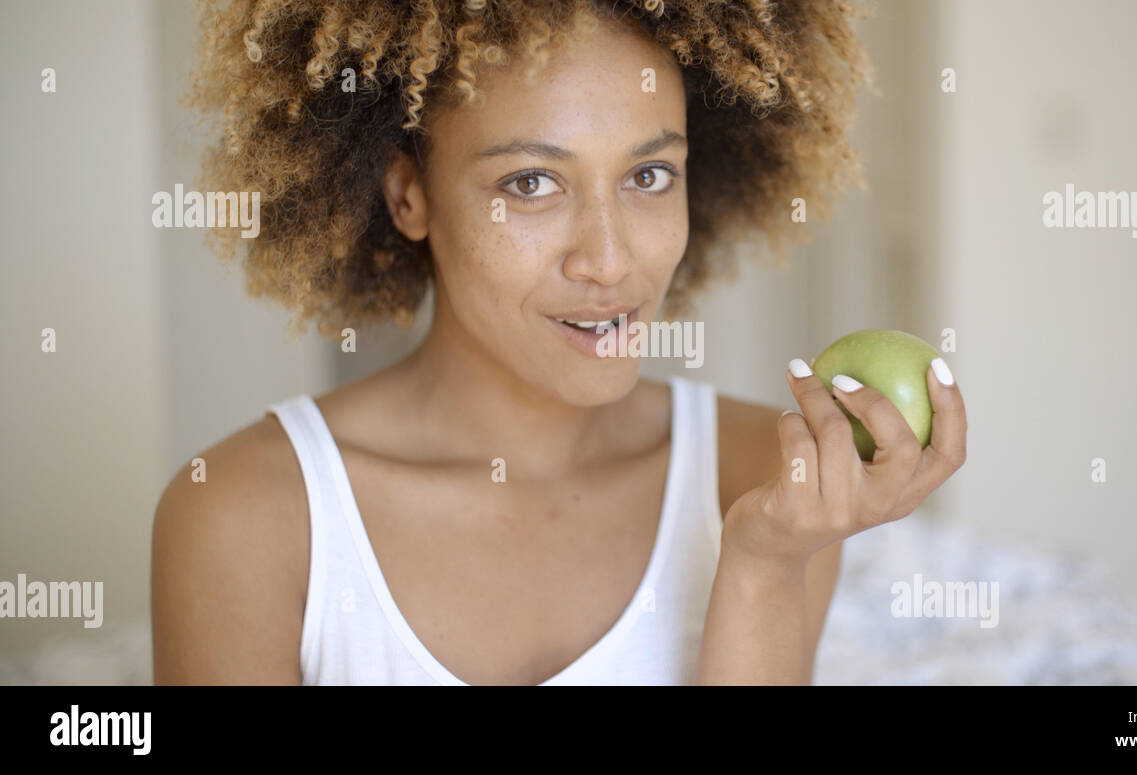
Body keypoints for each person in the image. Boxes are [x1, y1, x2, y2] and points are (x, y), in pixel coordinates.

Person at [151, 0, 967, 686]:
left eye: (649, 175)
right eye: (530, 184)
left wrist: (765, 563)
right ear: (408, 195)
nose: (610, 261)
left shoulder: (767, 478)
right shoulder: (242, 515)